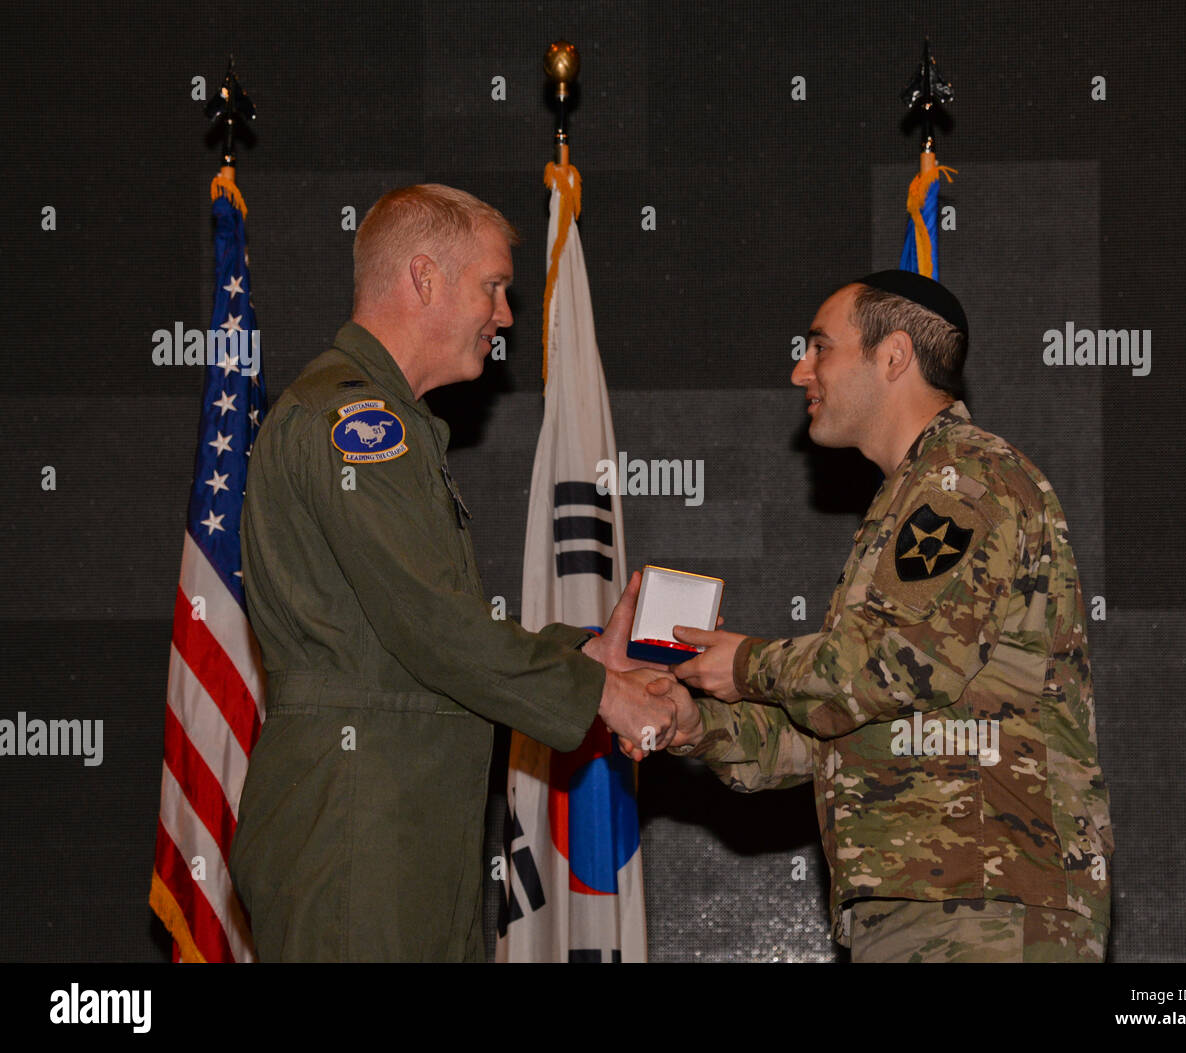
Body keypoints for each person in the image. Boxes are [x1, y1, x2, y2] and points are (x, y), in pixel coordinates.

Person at [230, 184, 682, 962]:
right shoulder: (357, 426)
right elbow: (436, 630)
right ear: (424, 277)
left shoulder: (378, 420)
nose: (506, 315)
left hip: (395, 827)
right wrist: (603, 694)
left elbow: (407, 641)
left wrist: (580, 657)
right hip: (357, 832)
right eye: (495, 286)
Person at [660, 270, 1114, 962]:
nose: (799, 370)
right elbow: (840, 731)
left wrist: (747, 663)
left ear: (893, 356)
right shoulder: (913, 494)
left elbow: (899, 663)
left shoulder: (964, 479)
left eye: (819, 347)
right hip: (934, 904)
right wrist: (699, 725)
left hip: (983, 904)